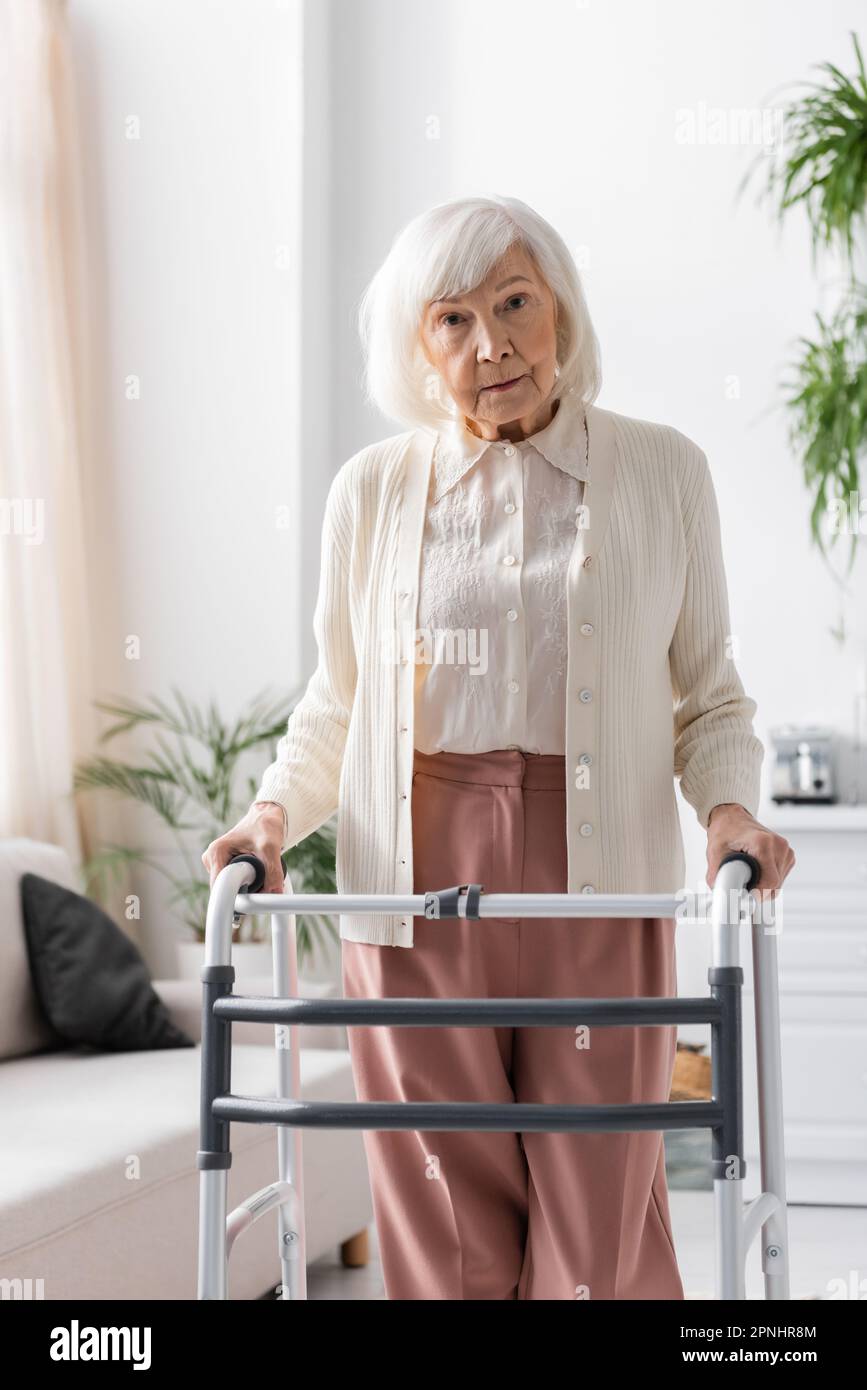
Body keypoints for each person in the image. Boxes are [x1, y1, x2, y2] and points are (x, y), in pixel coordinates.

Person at [203, 195, 795, 1300]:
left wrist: (728, 811)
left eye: (515, 302)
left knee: (595, 1215)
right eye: (454, 321)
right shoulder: (370, 492)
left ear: (560, 307)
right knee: (445, 1226)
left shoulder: (666, 471)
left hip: (600, 885)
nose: (494, 344)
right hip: (412, 887)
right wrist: (273, 816)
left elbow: (710, 698)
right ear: (419, 350)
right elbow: (338, 701)